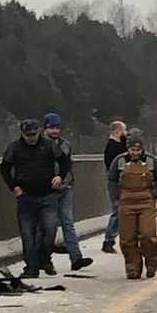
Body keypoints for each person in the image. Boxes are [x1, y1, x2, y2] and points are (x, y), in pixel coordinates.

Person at [0, 119, 71, 278]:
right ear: (22, 134)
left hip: (47, 195)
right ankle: (31, 267)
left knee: (49, 230)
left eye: (34, 134)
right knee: (27, 234)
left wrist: (60, 176)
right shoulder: (14, 148)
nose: (31, 138)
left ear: (39, 132)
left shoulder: (49, 145)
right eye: (28, 135)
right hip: (25, 196)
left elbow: (65, 161)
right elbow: (4, 168)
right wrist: (14, 187)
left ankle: (45, 260)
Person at [107, 135, 157, 279]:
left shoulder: (151, 161)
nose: (135, 153)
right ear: (128, 149)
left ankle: (151, 263)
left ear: (142, 149)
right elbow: (112, 180)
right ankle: (132, 267)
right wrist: (116, 198)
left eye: (138, 150)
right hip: (126, 203)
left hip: (146, 202)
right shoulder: (119, 161)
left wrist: (155, 193)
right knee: (127, 238)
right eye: (133, 149)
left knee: (148, 235)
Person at [42, 113, 93, 272]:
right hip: (46, 190)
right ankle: (45, 259)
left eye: (57, 127)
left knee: (68, 223)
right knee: (48, 226)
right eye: (51, 128)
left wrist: (67, 181)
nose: (55, 131)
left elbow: (67, 165)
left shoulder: (65, 144)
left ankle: (76, 258)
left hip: (65, 187)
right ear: (45, 128)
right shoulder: (40, 145)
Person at [101, 121, 128, 254]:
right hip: (116, 184)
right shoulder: (112, 147)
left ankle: (114, 239)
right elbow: (112, 167)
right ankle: (108, 240)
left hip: (122, 182)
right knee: (117, 211)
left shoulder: (120, 145)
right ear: (118, 131)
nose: (126, 133)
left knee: (121, 212)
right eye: (124, 130)